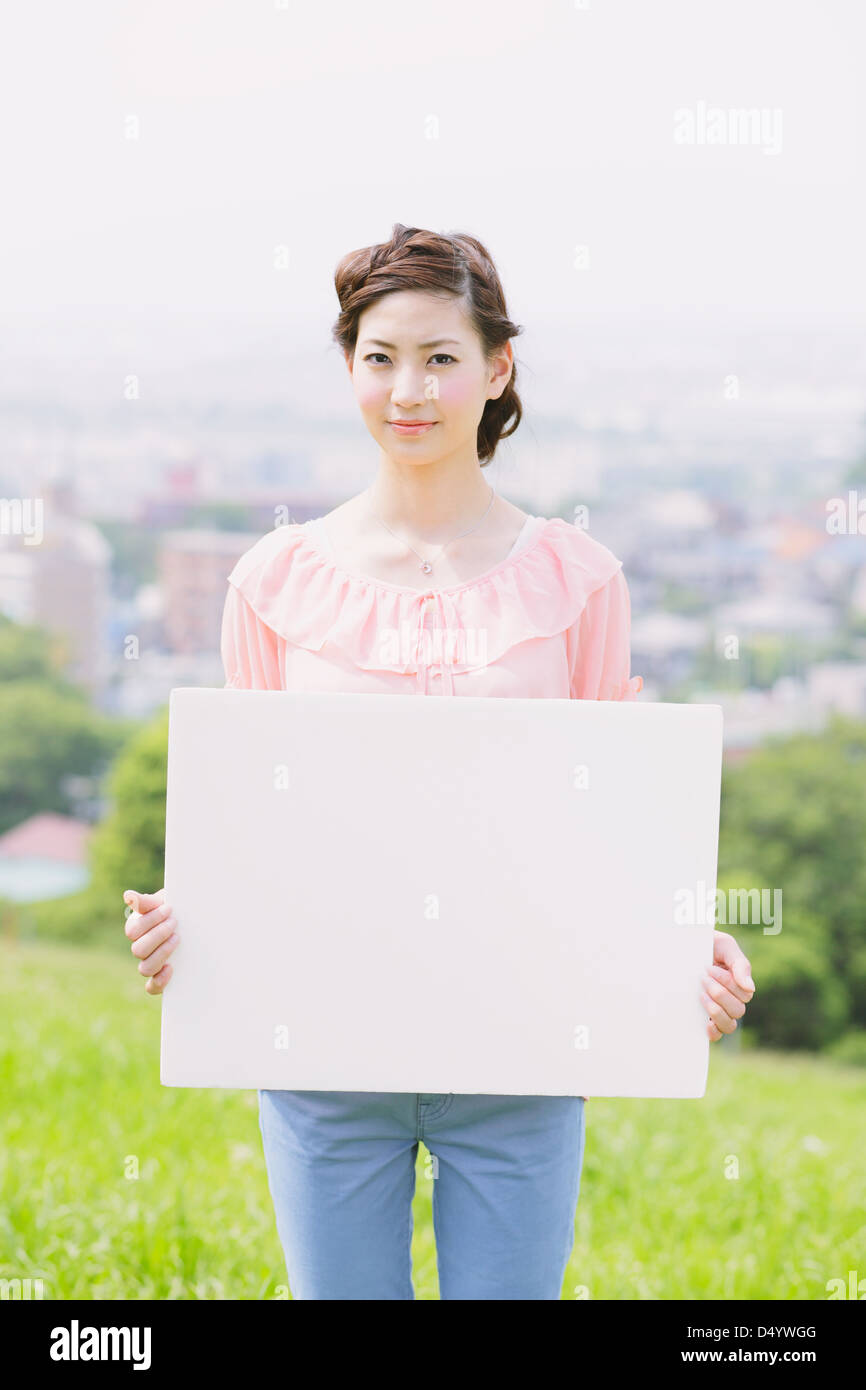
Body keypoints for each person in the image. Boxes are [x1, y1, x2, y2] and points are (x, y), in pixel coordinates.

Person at [122, 222, 756, 1300]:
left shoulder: (578, 580)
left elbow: (610, 825)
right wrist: (181, 914)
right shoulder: (273, 581)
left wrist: (680, 946)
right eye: (378, 358)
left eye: (439, 357)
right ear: (349, 370)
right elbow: (248, 828)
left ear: (496, 367)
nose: (407, 389)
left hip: (521, 1048)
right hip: (322, 1046)